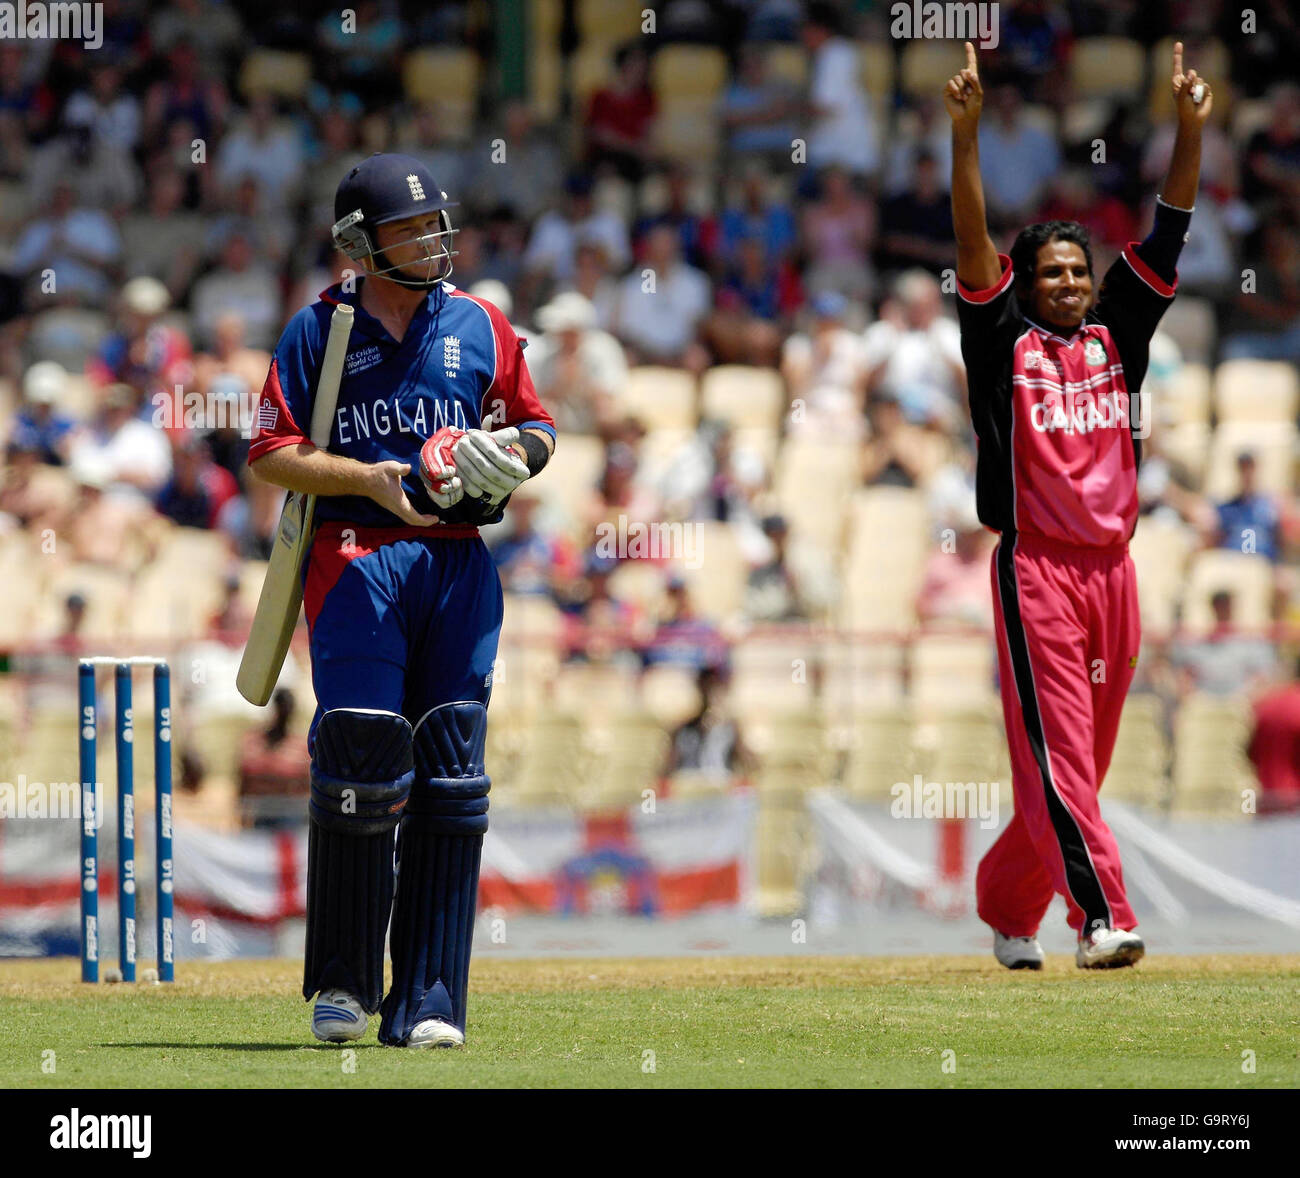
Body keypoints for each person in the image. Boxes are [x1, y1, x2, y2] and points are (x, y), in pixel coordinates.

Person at [247, 153, 555, 1048]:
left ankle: (428, 1000)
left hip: (458, 561)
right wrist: (369, 481)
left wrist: (515, 462)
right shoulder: (319, 330)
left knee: (453, 774)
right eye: (412, 228)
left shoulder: (481, 323)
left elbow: (534, 427)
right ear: (360, 244)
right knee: (361, 754)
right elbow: (270, 453)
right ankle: (342, 985)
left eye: (436, 223)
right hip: (355, 556)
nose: (433, 239)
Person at [946, 41, 1212, 970]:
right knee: (1060, 756)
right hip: (1037, 570)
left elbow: (1170, 229)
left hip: (1115, 572)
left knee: (1078, 770)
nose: (1066, 283)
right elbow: (972, 245)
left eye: (1076, 272)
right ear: (1023, 286)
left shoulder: (1117, 337)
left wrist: (1189, 128)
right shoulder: (1000, 341)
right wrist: (965, 138)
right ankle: (1102, 917)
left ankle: (1004, 901)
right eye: (1050, 273)